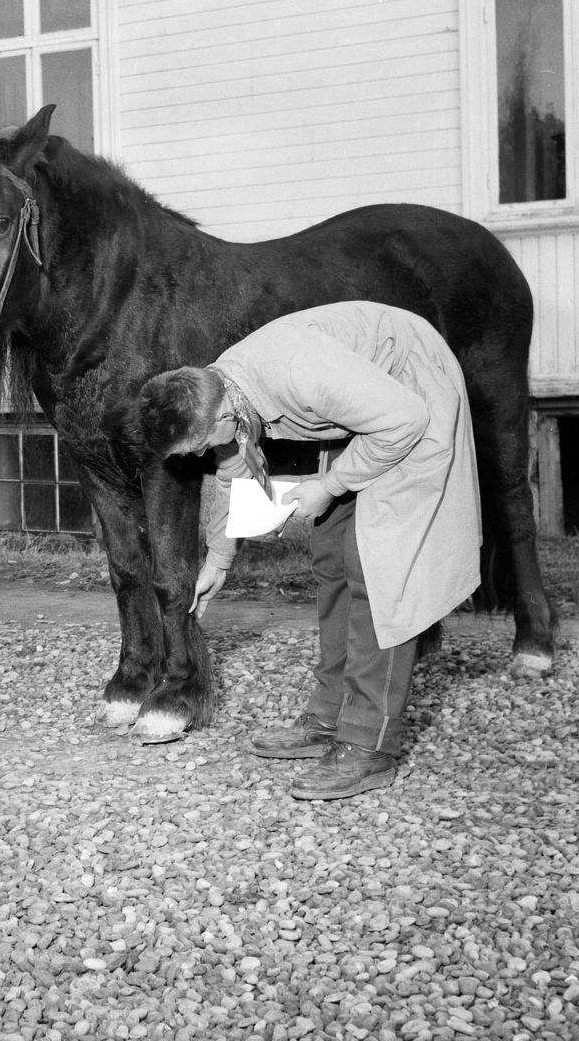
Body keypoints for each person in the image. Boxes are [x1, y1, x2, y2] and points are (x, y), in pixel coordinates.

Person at [137, 302, 481, 801]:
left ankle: (369, 745)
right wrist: (218, 561)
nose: (198, 459)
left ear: (223, 415)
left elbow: (404, 420)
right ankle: (331, 714)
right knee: (331, 553)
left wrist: (331, 483)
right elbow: (233, 472)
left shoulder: (298, 372)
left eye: (196, 448)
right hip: (365, 408)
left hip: (411, 397)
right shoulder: (220, 391)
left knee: (378, 566)